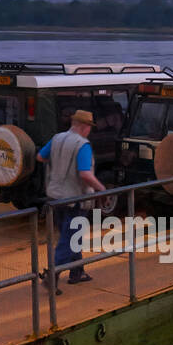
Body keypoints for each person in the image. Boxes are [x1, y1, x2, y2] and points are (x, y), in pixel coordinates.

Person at [37, 109, 105, 293]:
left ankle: (77, 272)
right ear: (84, 127)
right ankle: (53, 275)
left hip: (54, 197)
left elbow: (40, 157)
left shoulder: (57, 138)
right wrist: (102, 189)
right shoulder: (82, 145)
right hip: (75, 199)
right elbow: (85, 174)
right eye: (89, 128)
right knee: (69, 239)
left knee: (70, 235)